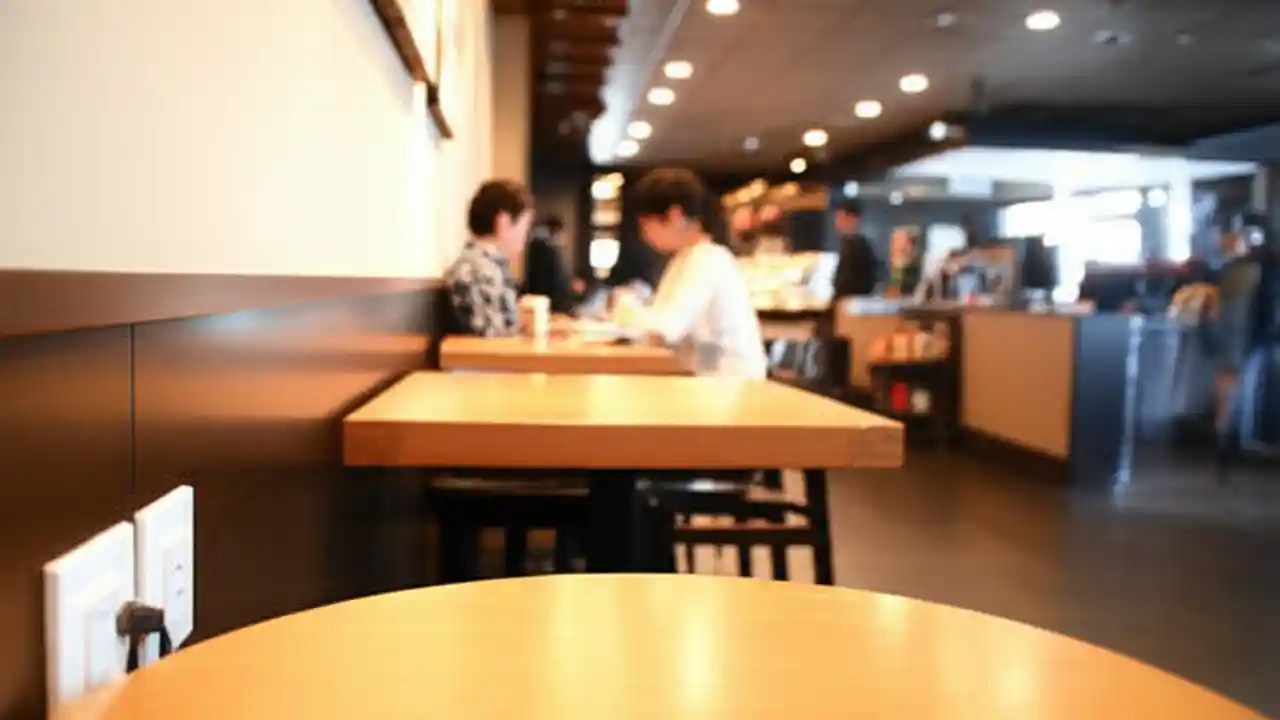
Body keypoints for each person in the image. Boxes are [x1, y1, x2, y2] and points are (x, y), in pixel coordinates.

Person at [624, 167, 768, 378]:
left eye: (646, 225)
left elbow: (668, 327)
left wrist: (626, 308)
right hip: (709, 378)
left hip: (732, 386)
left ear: (675, 216)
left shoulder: (707, 259)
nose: (644, 236)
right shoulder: (687, 258)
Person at [444, 179, 534, 337]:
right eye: (524, 227)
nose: (525, 237)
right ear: (504, 222)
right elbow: (491, 336)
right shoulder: (477, 269)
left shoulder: (485, 264)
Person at [522, 215, 576, 315]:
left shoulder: (537, 246)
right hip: (548, 306)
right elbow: (551, 280)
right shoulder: (546, 250)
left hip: (543, 303)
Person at [831, 200, 878, 298]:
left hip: (851, 302)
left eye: (842, 218)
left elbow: (845, 281)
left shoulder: (854, 245)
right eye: (837, 218)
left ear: (854, 219)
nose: (838, 223)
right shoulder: (856, 243)